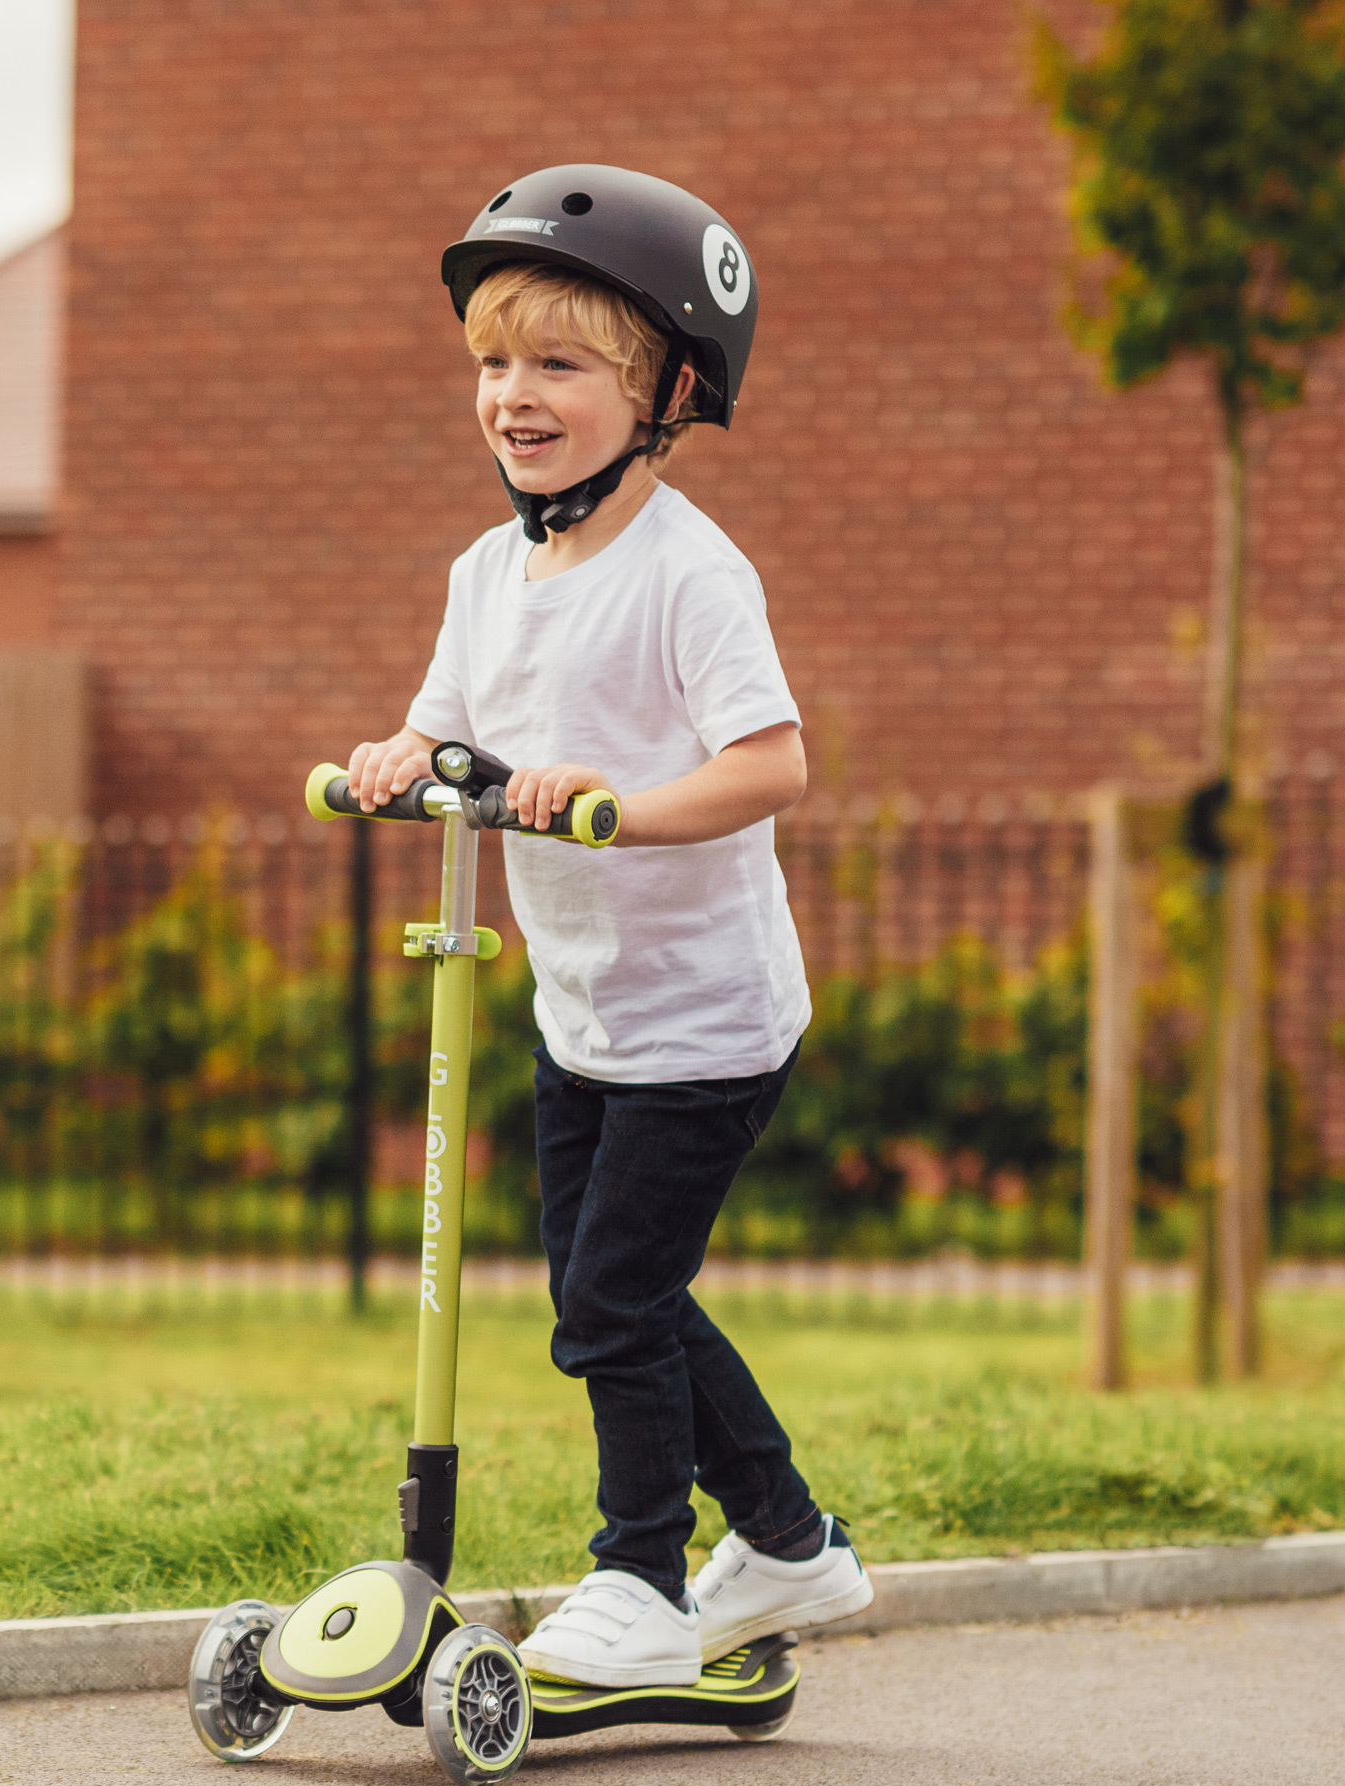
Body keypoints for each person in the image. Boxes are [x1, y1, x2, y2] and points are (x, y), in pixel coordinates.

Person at [346, 165, 873, 1689]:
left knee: (610, 1301)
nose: (516, 394)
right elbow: (450, 734)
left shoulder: (691, 574)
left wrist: (614, 806)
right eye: (496, 362)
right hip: (582, 1007)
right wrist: (397, 760)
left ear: (666, 394)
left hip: (703, 1019)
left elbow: (771, 763)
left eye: (562, 364)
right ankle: (787, 1544)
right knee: (609, 1288)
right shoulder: (483, 573)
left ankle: (640, 1577)